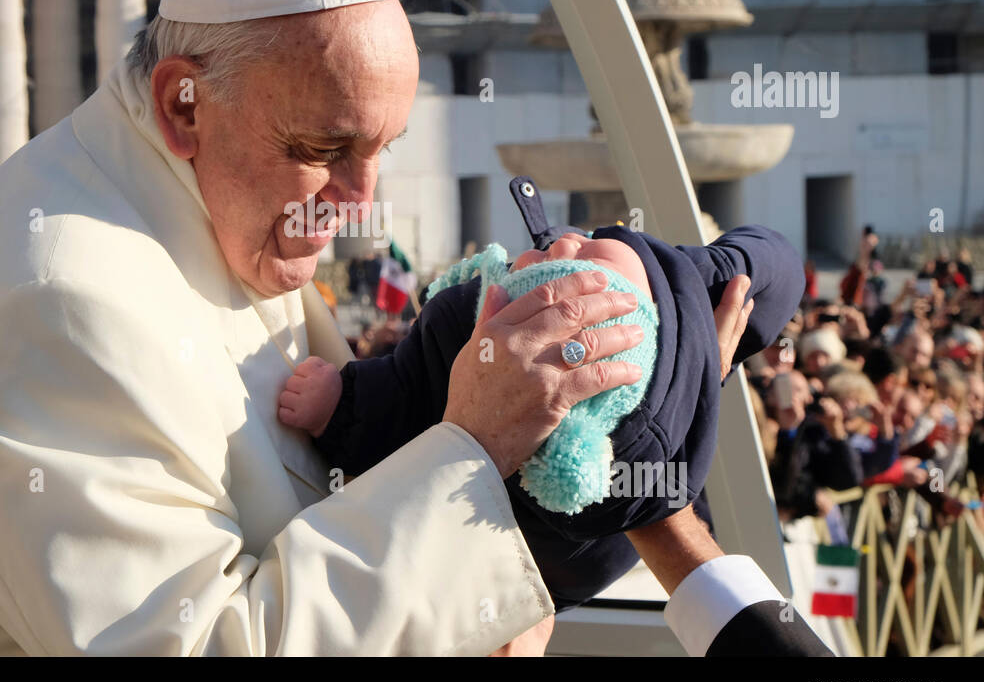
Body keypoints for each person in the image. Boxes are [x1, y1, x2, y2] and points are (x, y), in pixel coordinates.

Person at [0, 0, 817, 657]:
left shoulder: (205, 195)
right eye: (322, 147)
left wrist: (652, 395)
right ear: (184, 105)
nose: (357, 200)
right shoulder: (54, 299)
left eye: (381, 148)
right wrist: (476, 443)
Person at [278, 202, 807, 611]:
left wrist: (337, 404)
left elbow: (392, 401)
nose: (567, 242)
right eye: (595, 250)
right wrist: (722, 275)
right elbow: (779, 264)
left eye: (574, 264)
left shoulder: (461, 341)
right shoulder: (682, 311)